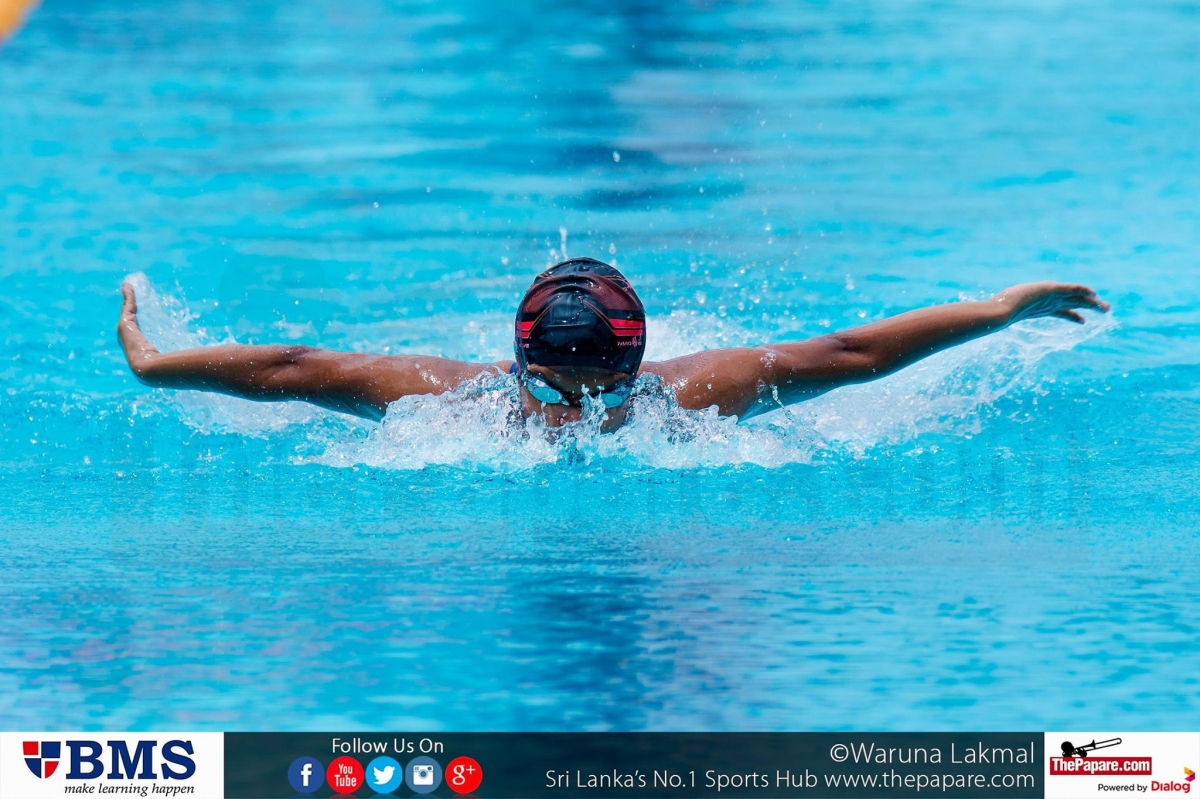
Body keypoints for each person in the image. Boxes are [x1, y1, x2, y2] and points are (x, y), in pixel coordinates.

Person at [117, 257, 1109, 431]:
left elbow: (851, 353)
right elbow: (292, 372)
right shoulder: (436, 399)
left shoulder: (695, 399)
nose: (575, 422)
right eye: (555, 400)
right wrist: (158, 366)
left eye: (588, 400)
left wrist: (1002, 309)